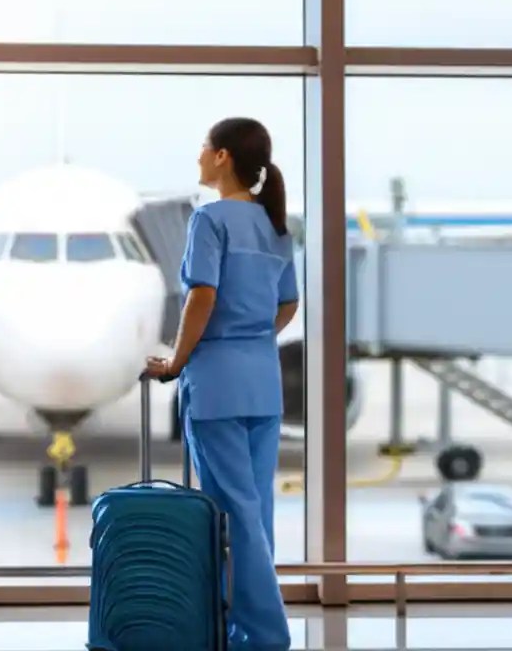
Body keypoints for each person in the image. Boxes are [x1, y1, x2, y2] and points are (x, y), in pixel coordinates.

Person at [146, 117, 298, 651]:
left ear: (224, 157)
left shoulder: (210, 221)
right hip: (262, 379)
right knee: (257, 512)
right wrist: (251, 336)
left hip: (218, 386)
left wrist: (177, 360)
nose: (198, 156)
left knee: (235, 514)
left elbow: (201, 296)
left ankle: (262, 635)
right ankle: (245, 626)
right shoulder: (276, 226)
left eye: (204, 148)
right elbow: (288, 304)